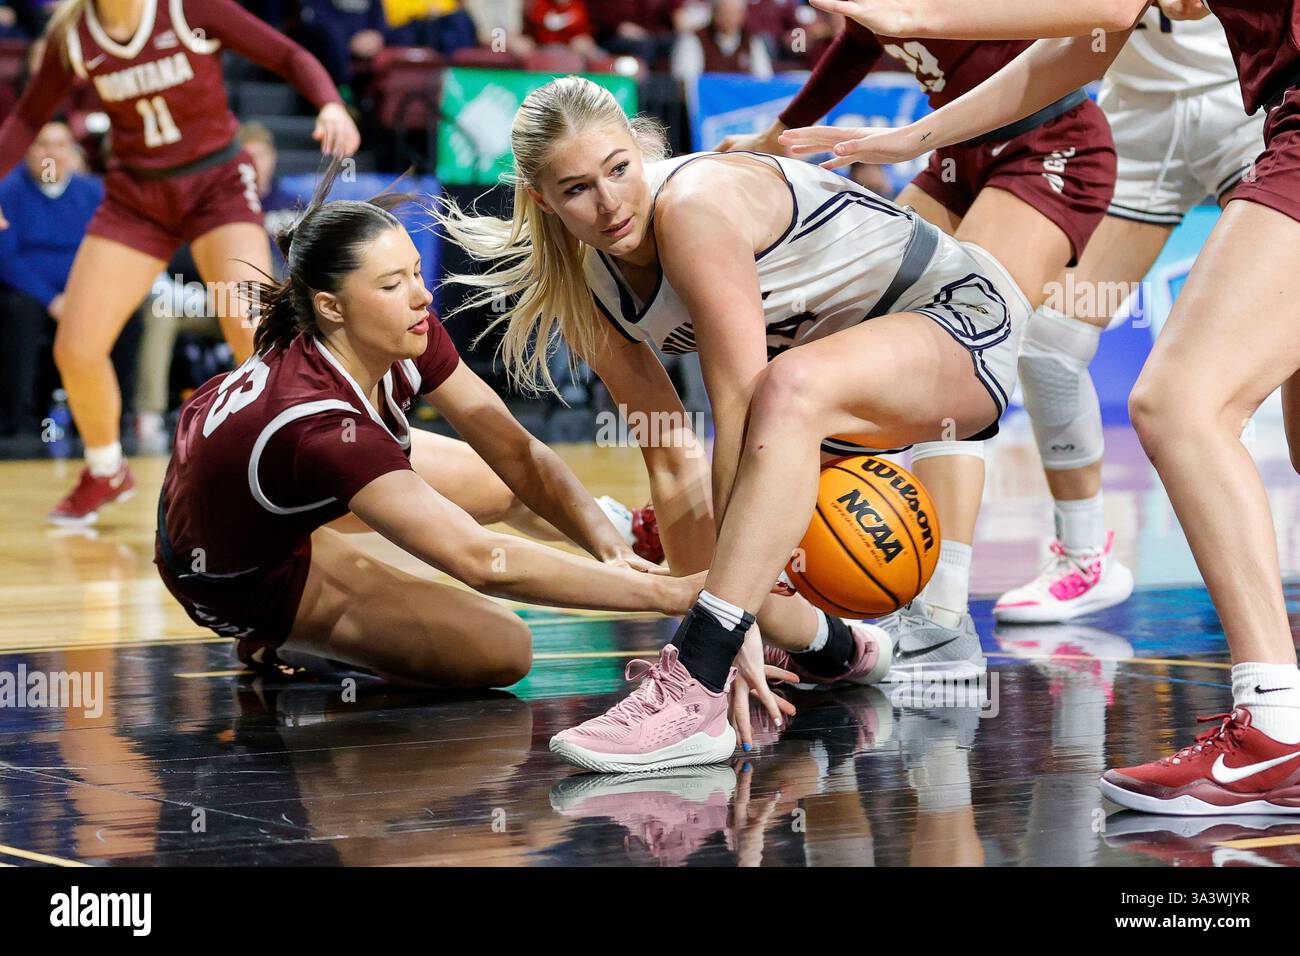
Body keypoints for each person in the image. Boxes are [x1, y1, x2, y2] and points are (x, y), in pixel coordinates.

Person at [437, 76, 1030, 771]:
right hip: (829, 387)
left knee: (776, 425)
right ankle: (849, 651)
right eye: (576, 190)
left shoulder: (691, 207)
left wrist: (712, 637)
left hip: (955, 323)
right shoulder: (582, 280)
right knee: (734, 561)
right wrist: (718, 602)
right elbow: (668, 453)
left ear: (641, 148)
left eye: (619, 169)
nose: (608, 203)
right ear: (542, 199)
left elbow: (742, 407)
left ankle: (693, 687)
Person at [801, 0, 1300, 814]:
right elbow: (1070, 54)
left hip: (1260, 129)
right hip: (1255, 120)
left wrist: (911, 11)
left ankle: (1275, 729)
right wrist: (910, 139)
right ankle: (1085, 563)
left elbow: (1101, 10)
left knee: (1179, 403)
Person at [158, 160, 709, 688]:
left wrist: (610, 551)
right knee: (503, 650)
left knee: (504, 481)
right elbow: (481, 562)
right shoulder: (321, 427)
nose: (423, 295)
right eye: (393, 284)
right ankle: (279, 642)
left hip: (251, 492)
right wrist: (671, 597)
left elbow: (516, 452)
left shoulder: (394, 330)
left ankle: (623, 529)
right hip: (237, 573)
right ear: (331, 307)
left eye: (416, 271)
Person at [722, 13, 1117, 657]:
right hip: (956, 155)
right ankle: (814, 583)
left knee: (961, 342)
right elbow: (857, 42)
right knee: (852, 333)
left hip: (1049, 142)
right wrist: (775, 134)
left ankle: (942, 616)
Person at [0, 0, 360, 525]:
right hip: (136, 198)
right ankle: (105, 468)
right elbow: (30, 114)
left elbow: (285, 54)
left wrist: (329, 102)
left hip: (216, 186)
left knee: (253, 332)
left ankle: (302, 461)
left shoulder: (190, 8)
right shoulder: (73, 37)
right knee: (76, 346)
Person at [0, 120, 101, 436]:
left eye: (60, 145)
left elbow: (103, 251)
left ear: (73, 153)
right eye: (43, 144)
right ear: (27, 151)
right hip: (27, 291)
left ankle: (106, 418)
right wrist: (52, 299)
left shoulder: (94, 191)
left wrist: (81, 295)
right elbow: (6, 258)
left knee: (130, 317)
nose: (52, 153)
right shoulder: (8, 190)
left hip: (82, 290)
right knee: (21, 311)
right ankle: (21, 420)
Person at [671, 0, 773, 84]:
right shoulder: (693, 39)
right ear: (714, 13)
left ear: (742, 15)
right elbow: (687, 83)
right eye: (724, 12)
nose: (728, 18)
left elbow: (764, 80)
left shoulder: (752, 41)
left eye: (733, 13)